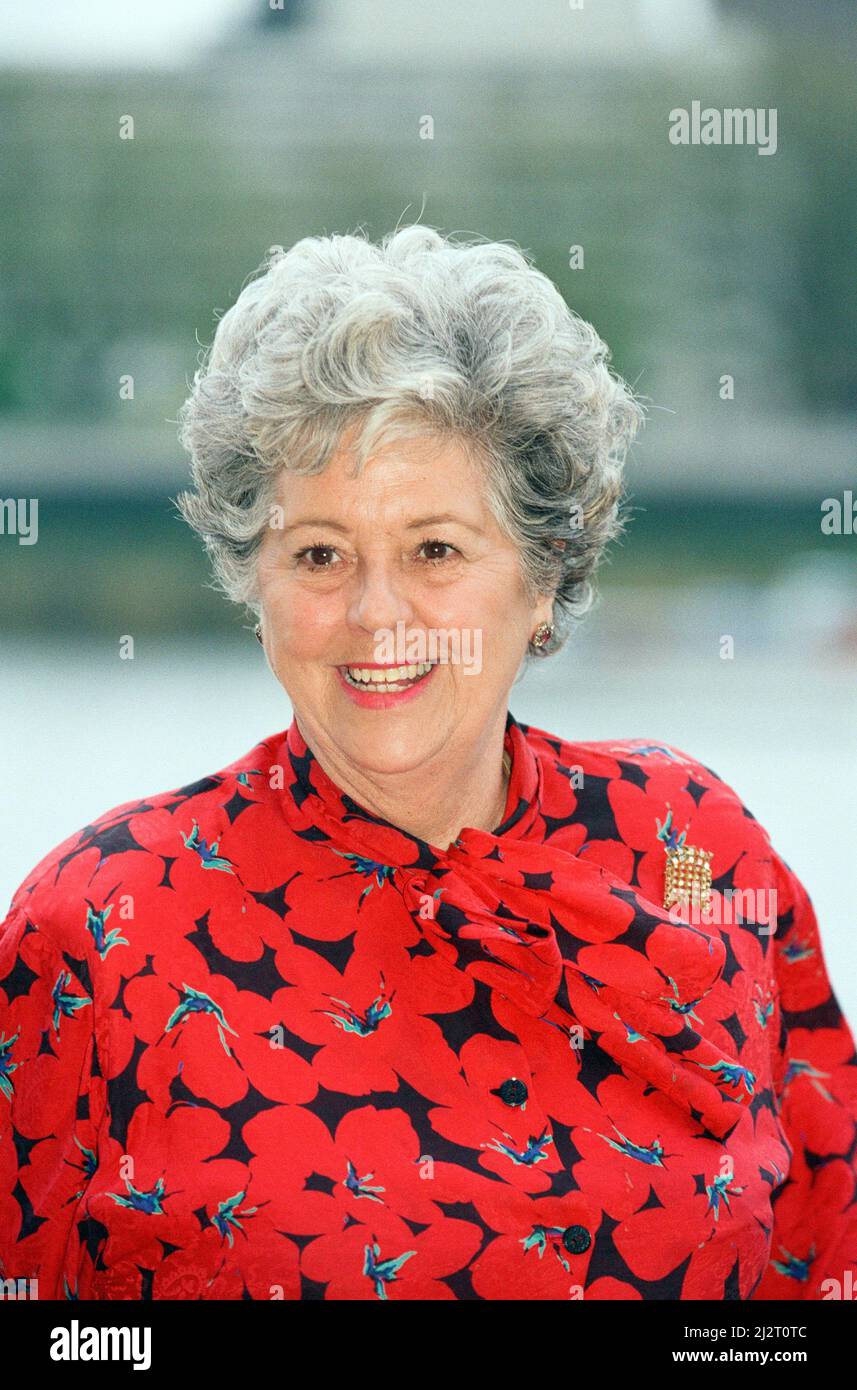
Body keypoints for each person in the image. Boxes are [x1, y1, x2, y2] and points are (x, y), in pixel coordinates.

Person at [2, 226, 855, 1301]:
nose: (374, 613)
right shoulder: (96, 926)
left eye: (434, 550)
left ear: (542, 576)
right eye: (318, 553)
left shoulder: (694, 841)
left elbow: (826, 1255)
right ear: (252, 582)